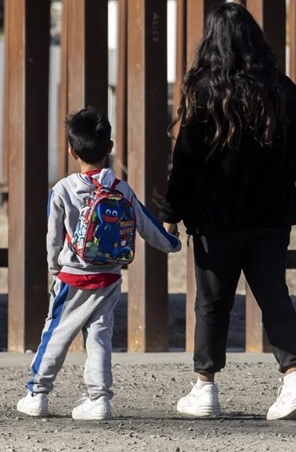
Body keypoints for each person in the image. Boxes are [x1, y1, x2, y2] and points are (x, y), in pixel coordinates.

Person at [161, 1, 296, 421]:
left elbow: (186, 161)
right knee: (274, 295)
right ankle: (294, 381)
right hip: (271, 216)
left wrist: (172, 211)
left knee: (212, 303)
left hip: (216, 218)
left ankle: (205, 389)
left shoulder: (204, 92)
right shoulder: (282, 89)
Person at [16, 106, 182, 421]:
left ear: (71, 150)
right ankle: (99, 398)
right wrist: (172, 244)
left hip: (72, 278)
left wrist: (56, 269)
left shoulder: (63, 189)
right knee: (100, 337)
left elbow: (53, 238)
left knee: (57, 334)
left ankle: (37, 394)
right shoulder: (120, 189)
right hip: (108, 277)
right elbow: (147, 225)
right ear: (110, 148)